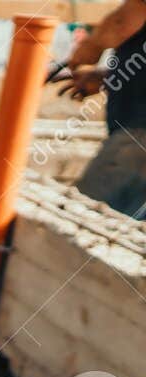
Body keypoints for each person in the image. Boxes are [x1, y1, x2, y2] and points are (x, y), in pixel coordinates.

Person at [60, 0, 146, 218]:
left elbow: (125, 19)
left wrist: (92, 45)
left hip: (138, 134)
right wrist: (109, 77)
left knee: (83, 220)